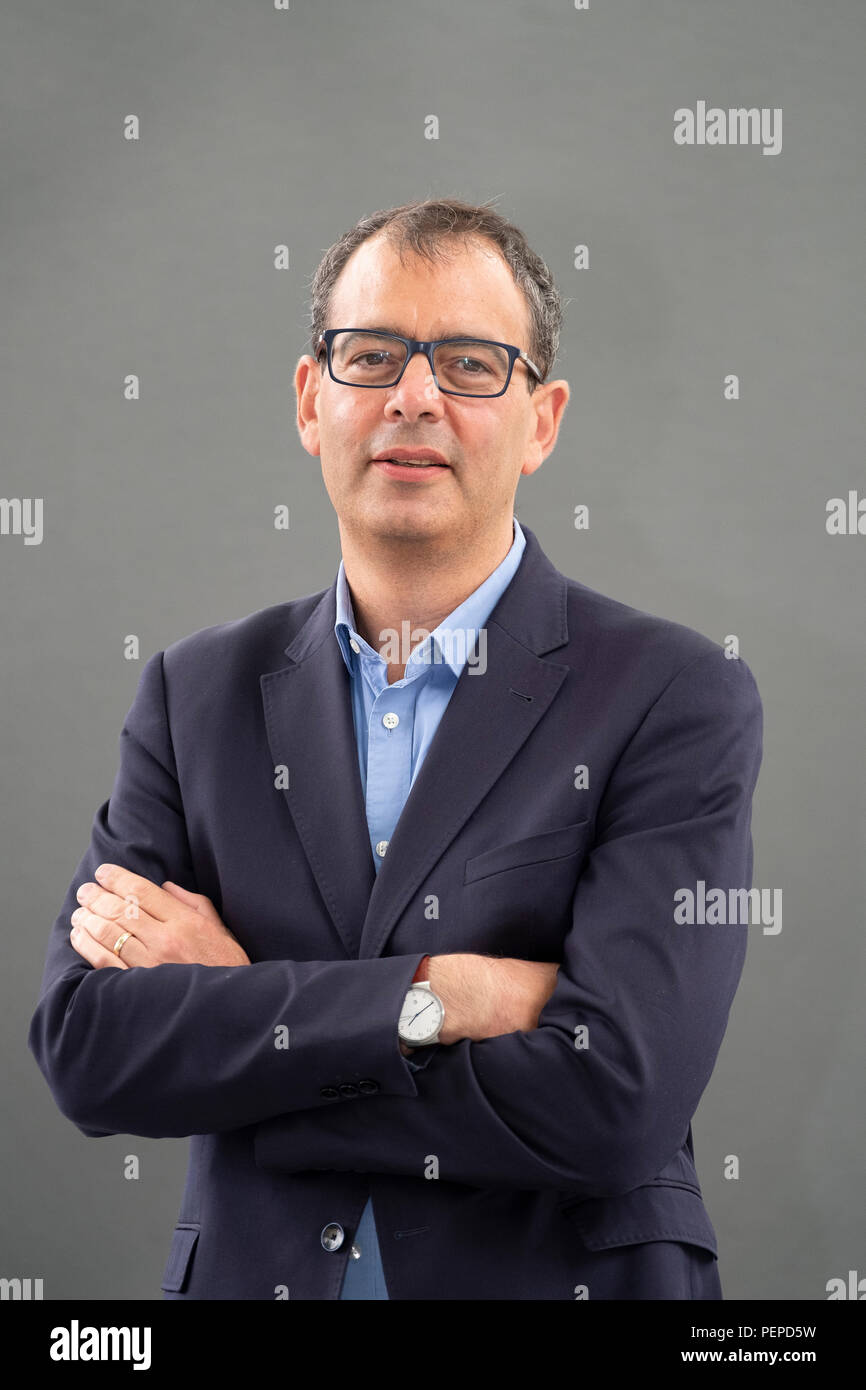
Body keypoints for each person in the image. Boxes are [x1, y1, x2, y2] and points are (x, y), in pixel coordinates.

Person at [28, 197, 762, 1300]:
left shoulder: (672, 694)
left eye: (468, 363)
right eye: (370, 354)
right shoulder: (197, 693)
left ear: (543, 420)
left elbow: (615, 1096)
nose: (413, 395)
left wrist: (254, 1015)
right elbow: (90, 1048)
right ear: (309, 400)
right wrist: (439, 994)